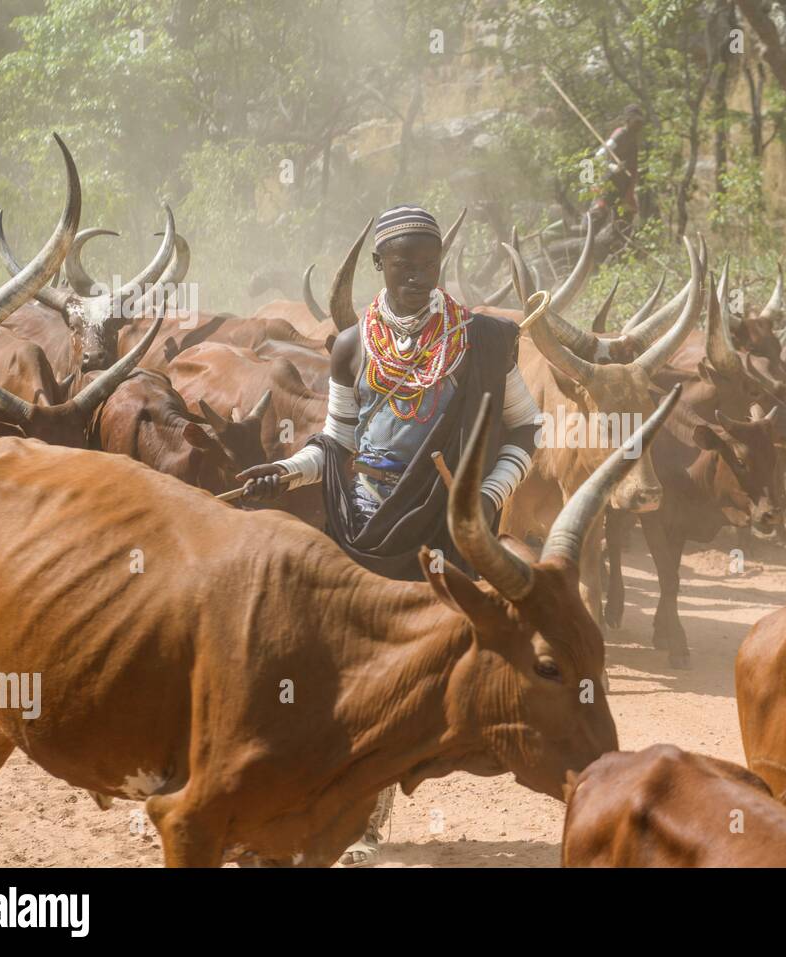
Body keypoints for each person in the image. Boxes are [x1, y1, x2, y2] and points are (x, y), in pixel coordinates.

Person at [237, 204, 541, 865]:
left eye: (428, 264)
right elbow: (337, 443)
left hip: (442, 533)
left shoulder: (483, 341)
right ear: (381, 266)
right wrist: (283, 472)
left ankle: (366, 825)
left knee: (399, 691)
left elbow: (526, 429)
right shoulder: (351, 346)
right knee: (338, 676)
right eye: (402, 264)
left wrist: (489, 495)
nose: (416, 276)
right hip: (361, 530)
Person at [589, 104, 644, 229]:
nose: (638, 125)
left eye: (640, 122)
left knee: (625, 220)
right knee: (598, 214)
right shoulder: (620, 135)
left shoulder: (633, 137)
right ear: (628, 120)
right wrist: (613, 167)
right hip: (609, 183)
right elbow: (599, 155)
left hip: (624, 186)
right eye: (636, 122)